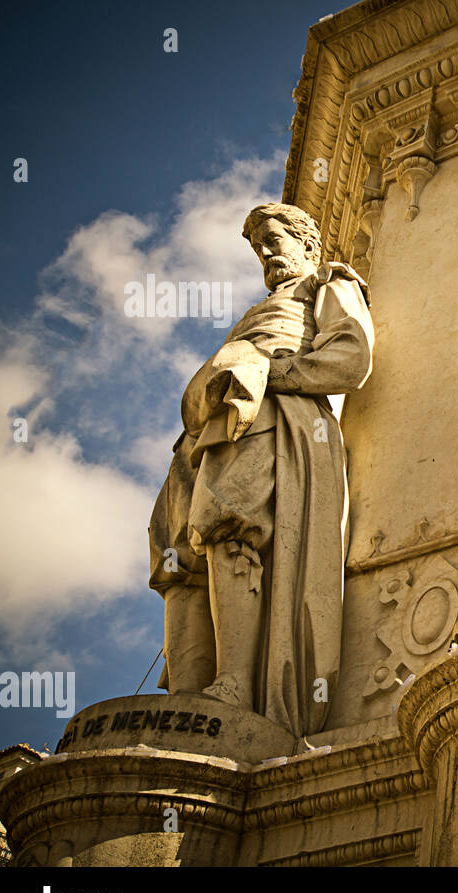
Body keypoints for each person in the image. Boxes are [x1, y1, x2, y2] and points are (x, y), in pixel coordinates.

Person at [148, 202, 373, 737]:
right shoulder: (259, 309)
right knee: (178, 557)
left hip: (268, 415)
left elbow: (351, 358)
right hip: (209, 431)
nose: (268, 253)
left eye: (276, 240)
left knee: (231, 529)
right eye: (258, 247)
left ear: (308, 244)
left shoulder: (327, 285)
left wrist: (265, 372)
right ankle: (188, 693)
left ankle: (234, 685)